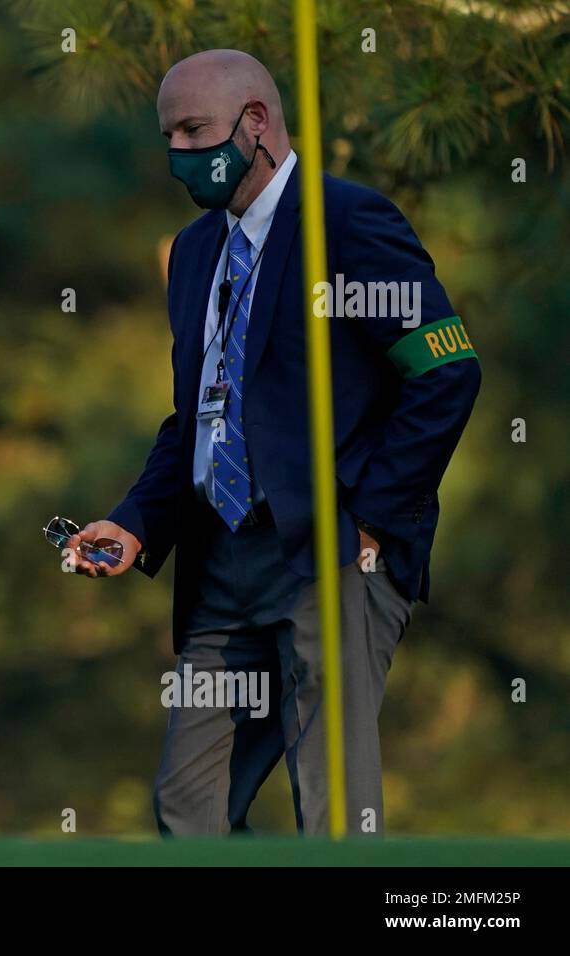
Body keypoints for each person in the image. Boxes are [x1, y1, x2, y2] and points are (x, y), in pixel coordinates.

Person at [65, 50, 480, 835]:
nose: (181, 154)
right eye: (170, 137)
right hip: (220, 567)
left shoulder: (347, 224)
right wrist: (134, 521)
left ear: (256, 122)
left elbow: (447, 371)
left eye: (196, 130)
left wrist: (373, 520)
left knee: (329, 805)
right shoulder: (193, 253)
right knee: (188, 808)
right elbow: (195, 420)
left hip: (329, 555)